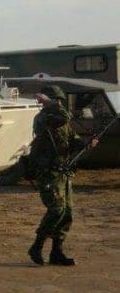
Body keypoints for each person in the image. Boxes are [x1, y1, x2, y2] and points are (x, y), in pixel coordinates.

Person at [27, 102, 95, 266]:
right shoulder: (43, 120)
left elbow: (74, 141)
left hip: (63, 174)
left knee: (67, 213)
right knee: (56, 210)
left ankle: (57, 252)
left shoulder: (64, 125)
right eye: (58, 100)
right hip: (48, 174)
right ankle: (37, 246)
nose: (60, 104)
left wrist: (87, 143)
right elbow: (62, 118)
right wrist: (52, 104)